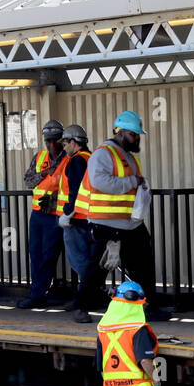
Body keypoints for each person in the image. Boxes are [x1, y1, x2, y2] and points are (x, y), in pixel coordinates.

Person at [73, 111, 164, 323]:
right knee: (96, 269)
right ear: (121, 133)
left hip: (131, 224)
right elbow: (100, 182)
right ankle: (80, 306)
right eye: (134, 134)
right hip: (106, 223)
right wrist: (133, 182)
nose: (138, 138)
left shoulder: (128, 156)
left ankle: (150, 306)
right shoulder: (102, 154)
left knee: (143, 266)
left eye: (138, 134)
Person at [19, 119, 66, 308]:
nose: (52, 144)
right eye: (48, 141)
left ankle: (39, 293)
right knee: (35, 253)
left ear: (62, 140)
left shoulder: (68, 158)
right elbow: (28, 181)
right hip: (38, 214)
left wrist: (55, 197)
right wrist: (46, 173)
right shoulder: (39, 157)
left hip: (57, 214)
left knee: (49, 255)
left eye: (55, 140)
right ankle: (36, 291)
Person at [56, 125, 93, 312]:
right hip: (90, 218)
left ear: (73, 142)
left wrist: (67, 213)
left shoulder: (77, 161)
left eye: (65, 142)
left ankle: (83, 302)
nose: (63, 147)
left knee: (79, 261)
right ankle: (86, 298)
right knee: (88, 260)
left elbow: (76, 191)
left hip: (76, 219)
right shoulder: (91, 158)